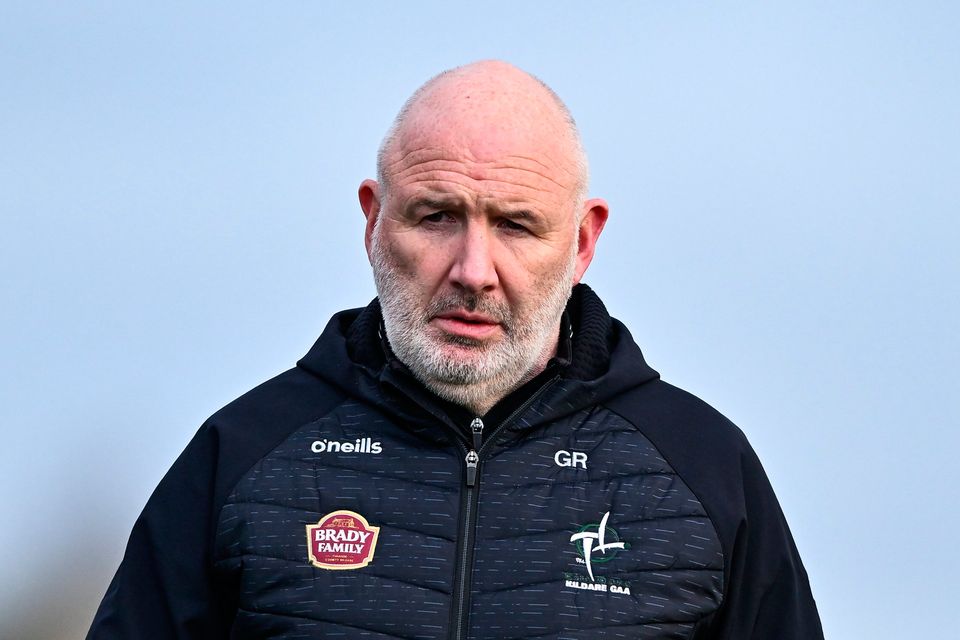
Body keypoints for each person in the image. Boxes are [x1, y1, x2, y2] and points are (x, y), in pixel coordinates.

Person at [87, 60, 823, 639]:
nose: (473, 271)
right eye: (436, 216)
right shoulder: (243, 454)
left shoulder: (703, 469)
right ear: (374, 222)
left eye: (516, 226)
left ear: (582, 242)